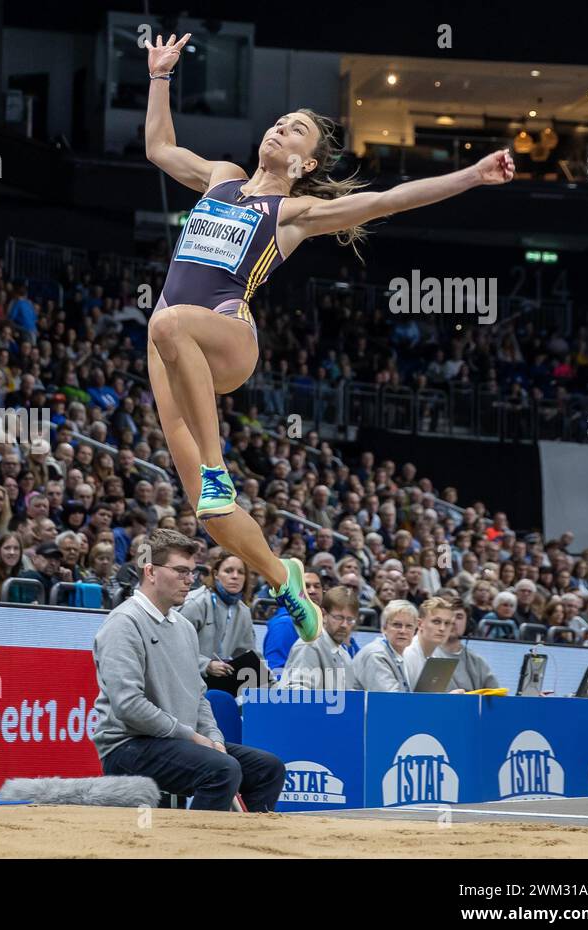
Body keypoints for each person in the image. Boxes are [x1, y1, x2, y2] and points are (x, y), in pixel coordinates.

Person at [139, 34, 514, 644]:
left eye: (295, 133)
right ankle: (282, 578)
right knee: (209, 516)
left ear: (306, 165)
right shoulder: (221, 178)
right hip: (173, 352)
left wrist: (471, 175)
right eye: (281, 122)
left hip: (226, 337)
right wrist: (160, 76)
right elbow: (158, 147)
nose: (281, 129)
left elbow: (389, 199)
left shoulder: (294, 214)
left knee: (166, 321)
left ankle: (217, 467)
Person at [91, 529, 286, 811]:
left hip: (176, 741)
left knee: (268, 769)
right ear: (151, 572)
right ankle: (195, 846)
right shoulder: (123, 623)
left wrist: (215, 739)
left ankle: (239, 846)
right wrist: (192, 737)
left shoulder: (183, 627)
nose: (190, 579)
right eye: (181, 571)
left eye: (192, 572)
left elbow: (199, 697)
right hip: (128, 746)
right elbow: (129, 706)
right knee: (222, 770)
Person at [178, 552, 258, 684]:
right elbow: (173, 648)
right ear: (216, 575)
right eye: (228, 571)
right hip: (184, 680)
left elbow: (248, 654)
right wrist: (205, 665)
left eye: (241, 572)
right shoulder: (195, 603)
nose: (235, 576)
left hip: (217, 683)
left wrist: (272, 683)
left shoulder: (243, 611)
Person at [282, 586, 361, 691]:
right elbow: (296, 692)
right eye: (338, 617)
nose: (344, 625)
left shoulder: (344, 655)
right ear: (323, 615)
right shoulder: (309, 645)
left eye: (350, 620)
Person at [350, 599, 418, 692]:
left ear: (415, 630)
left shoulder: (398, 653)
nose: (403, 631)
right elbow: (389, 700)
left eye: (409, 626)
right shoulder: (376, 655)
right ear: (384, 628)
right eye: (397, 625)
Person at [401, 596, 458, 690]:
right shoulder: (407, 653)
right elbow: (406, 700)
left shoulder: (438, 657)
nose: (442, 628)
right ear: (419, 624)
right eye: (436, 622)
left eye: (447, 623)